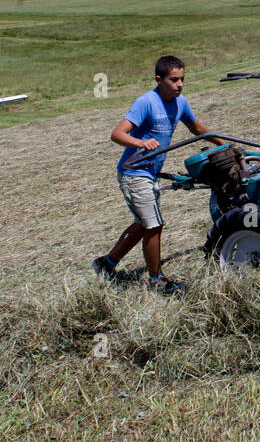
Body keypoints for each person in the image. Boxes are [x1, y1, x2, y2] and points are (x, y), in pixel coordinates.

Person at [93, 55, 222, 295]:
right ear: (159, 79)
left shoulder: (180, 102)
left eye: (182, 79)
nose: (180, 84)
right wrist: (140, 143)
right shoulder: (146, 102)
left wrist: (223, 144)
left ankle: (106, 264)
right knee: (154, 224)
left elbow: (196, 128)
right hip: (134, 172)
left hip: (150, 173)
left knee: (144, 224)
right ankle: (157, 280)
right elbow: (117, 133)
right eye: (174, 80)